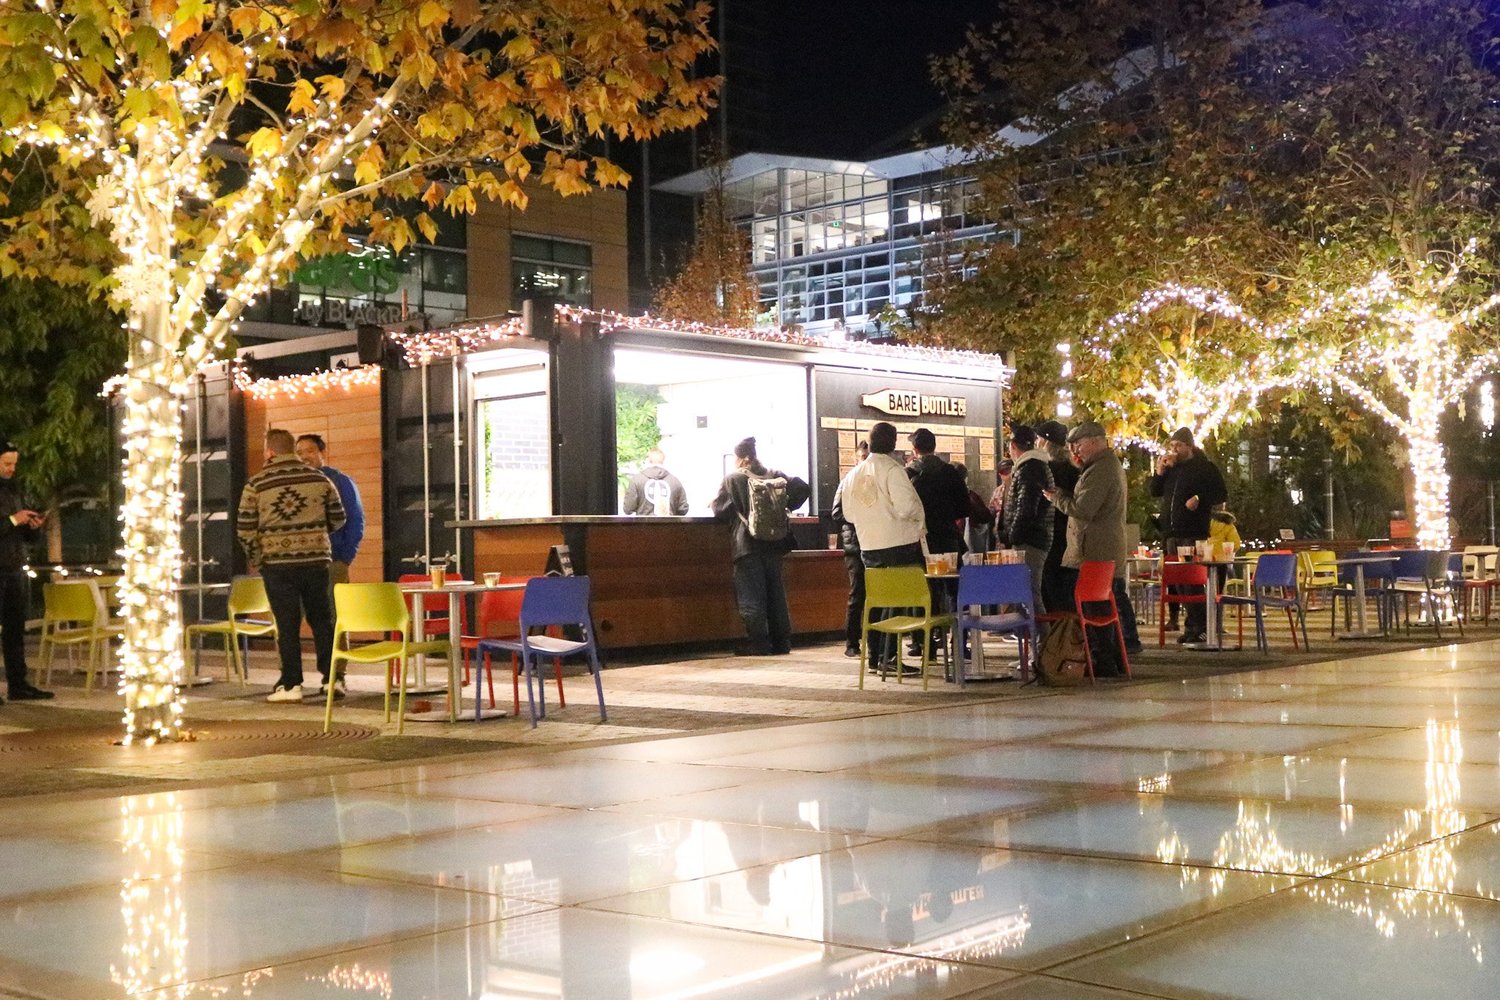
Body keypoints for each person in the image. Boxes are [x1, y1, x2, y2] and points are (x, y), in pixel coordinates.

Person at [238, 428, 347, 702]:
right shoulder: (319, 478)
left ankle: (291, 685)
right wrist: (314, 534)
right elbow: (338, 518)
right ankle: (332, 680)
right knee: (323, 621)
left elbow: (244, 528)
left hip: (277, 565)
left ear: (270, 451)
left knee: (287, 624)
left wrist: (258, 557)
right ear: (292, 450)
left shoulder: (256, 484)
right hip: (316, 561)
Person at [1042, 421, 1135, 675]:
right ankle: (1111, 660)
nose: (1076, 452)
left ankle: (1103, 660)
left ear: (1095, 441)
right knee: (1103, 608)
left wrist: (1056, 497)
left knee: (1095, 610)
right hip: (1099, 549)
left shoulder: (1101, 470)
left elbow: (1083, 510)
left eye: (1079, 445)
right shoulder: (1102, 466)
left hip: (1095, 551)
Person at [710, 436, 810, 656]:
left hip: (747, 545)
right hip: (775, 543)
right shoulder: (774, 475)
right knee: (776, 594)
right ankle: (782, 642)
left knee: (752, 595)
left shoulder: (734, 479)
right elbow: (803, 488)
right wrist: (786, 507)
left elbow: (719, 510)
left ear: (743, 458)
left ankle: (758, 643)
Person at [841, 422, 926, 668]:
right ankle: (890, 657)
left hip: (868, 545)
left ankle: (875, 656)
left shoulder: (854, 474)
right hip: (899, 544)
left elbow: (848, 513)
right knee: (897, 604)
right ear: (893, 442)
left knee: (876, 602)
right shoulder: (893, 470)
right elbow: (906, 506)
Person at [1150, 427, 1228, 644]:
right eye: (1172, 446)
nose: (1174, 450)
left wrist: (1199, 499)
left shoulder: (1204, 468)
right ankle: (1191, 625)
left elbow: (1221, 492)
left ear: (1190, 446)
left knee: (1192, 581)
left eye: (1179, 446)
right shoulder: (1171, 470)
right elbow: (1154, 491)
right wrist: (1159, 472)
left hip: (1193, 532)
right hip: (1171, 533)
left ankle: (1201, 626)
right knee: (1179, 582)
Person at [0, 442, 52, 702]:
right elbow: (8, 523)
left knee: (15, 630)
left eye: (14, 464)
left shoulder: (14, 490)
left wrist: (33, 526)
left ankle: (18, 685)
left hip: (14, 566)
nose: (11, 468)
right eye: (7, 463)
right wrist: (12, 520)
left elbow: (23, 536)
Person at [997, 425, 1054, 621]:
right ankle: (1038, 643)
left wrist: (1011, 535)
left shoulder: (1029, 468)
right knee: (1028, 593)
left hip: (1030, 540)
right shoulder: (1036, 465)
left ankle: (1045, 644)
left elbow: (1025, 508)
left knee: (1030, 594)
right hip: (1035, 537)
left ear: (1013, 446)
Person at [294, 434, 365, 586]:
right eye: (299, 453)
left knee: (333, 609)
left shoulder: (340, 481)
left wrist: (344, 559)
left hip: (332, 562)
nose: (304, 456)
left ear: (322, 453)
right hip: (300, 565)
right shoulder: (294, 485)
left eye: (310, 451)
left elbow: (355, 520)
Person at [1034, 419, 1078, 614]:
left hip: (1053, 534)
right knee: (1065, 587)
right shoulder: (1075, 471)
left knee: (1051, 585)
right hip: (1070, 535)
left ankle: (1058, 633)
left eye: (1039, 439)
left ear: (1046, 442)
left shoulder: (1047, 470)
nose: (1036, 443)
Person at [831, 440, 871, 658]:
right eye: (863, 457)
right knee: (857, 595)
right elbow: (836, 512)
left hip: (870, 543)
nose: (866, 461)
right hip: (856, 545)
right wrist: (859, 517)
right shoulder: (848, 481)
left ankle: (872, 642)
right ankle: (852, 643)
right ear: (857, 458)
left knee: (874, 595)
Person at [906, 428, 969, 558]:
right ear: (934, 447)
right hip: (948, 538)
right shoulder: (950, 471)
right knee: (951, 576)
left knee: (925, 578)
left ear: (915, 450)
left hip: (920, 542)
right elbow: (964, 508)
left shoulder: (908, 474)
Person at [622, 448, 689, 516]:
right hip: (668, 525)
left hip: (643, 525)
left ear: (648, 460)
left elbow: (628, 509)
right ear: (663, 461)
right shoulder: (675, 481)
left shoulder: (636, 480)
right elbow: (683, 509)